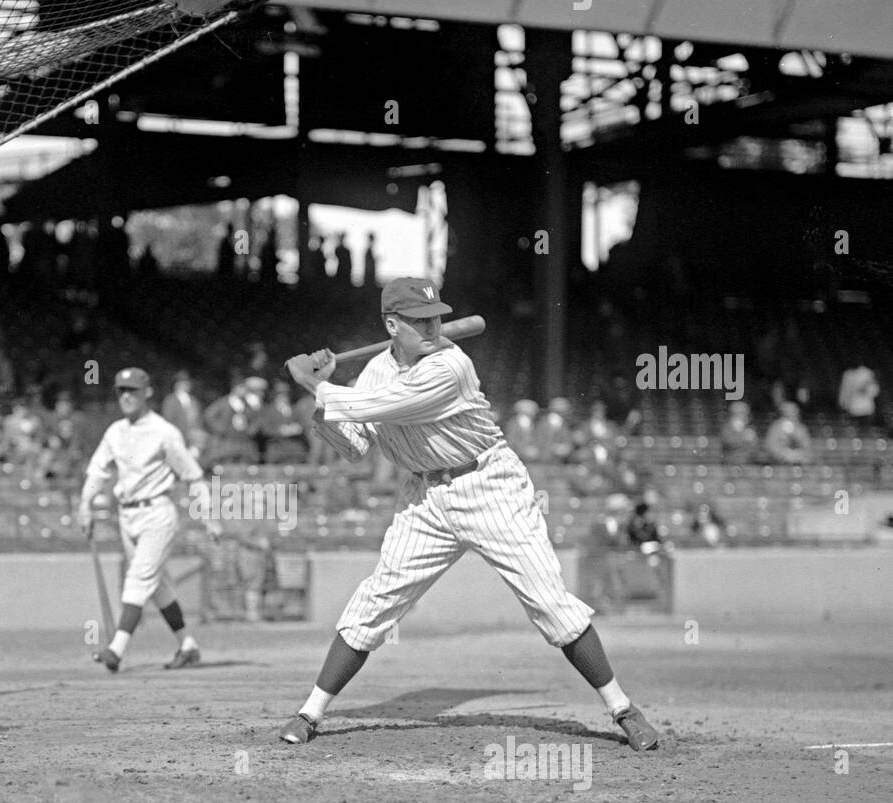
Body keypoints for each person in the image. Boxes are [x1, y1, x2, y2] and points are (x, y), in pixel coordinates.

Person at [274, 276, 662, 752]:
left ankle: (623, 708)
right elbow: (356, 445)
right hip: (424, 497)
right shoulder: (375, 371)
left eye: (437, 317)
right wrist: (321, 406)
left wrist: (318, 385)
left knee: (550, 603)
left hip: (488, 485)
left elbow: (385, 405)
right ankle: (310, 712)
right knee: (375, 601)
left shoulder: (451, 365)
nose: (434, 327)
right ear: (392, 325)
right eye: (420, 321)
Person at [77, 367, 222, 672]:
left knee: (140, 578)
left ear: (147, 393)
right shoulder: (115, 431)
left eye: (132, 390)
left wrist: (210, 517)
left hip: (157, 512)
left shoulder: (164, 431)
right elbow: (97, 471)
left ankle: (116, 650)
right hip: (126, 513)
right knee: (158, 586)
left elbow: (194, 477)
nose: (126, 396)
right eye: (121, 391)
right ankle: (187, 645)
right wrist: (84, 504)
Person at [257, 378, 308, 464]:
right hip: (276, 448)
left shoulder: (294, 409)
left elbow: (303, 424)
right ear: (275, 395)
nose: (283, 396)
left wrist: (297, 428)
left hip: (293, 448)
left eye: (286, 394)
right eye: (280, 394)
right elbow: (264, 429)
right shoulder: (268, 410)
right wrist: (280, 431)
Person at [161, 370, 207, 460]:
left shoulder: (193, 401)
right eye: (184, 383)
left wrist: (196, 445)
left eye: (187, 383)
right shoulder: (170, 400)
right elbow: (168, 421)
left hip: (193, 442)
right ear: (177, 385)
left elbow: (198, 422)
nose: (187, 386)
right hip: (177, 441)